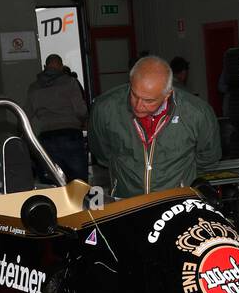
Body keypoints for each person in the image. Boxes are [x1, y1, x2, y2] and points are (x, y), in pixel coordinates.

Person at [88, 55, 220, 198]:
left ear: (167, 94)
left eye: (148, 100)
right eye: (134, 94)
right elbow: (102, 153)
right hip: (126, 202)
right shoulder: (105, 109)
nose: (138, 105)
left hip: (177, 203)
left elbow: (208, 159)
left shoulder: (197, 113)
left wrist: (182, 182)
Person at [26, 54, 90, 182]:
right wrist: (84, 121)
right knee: (79, 183)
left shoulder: (34, 87)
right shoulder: (70, 83)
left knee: (52, 183)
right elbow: (81, 110)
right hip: (71, 135)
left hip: (46, 138)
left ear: (45, 66)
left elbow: (26, 114)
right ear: (61, 67)